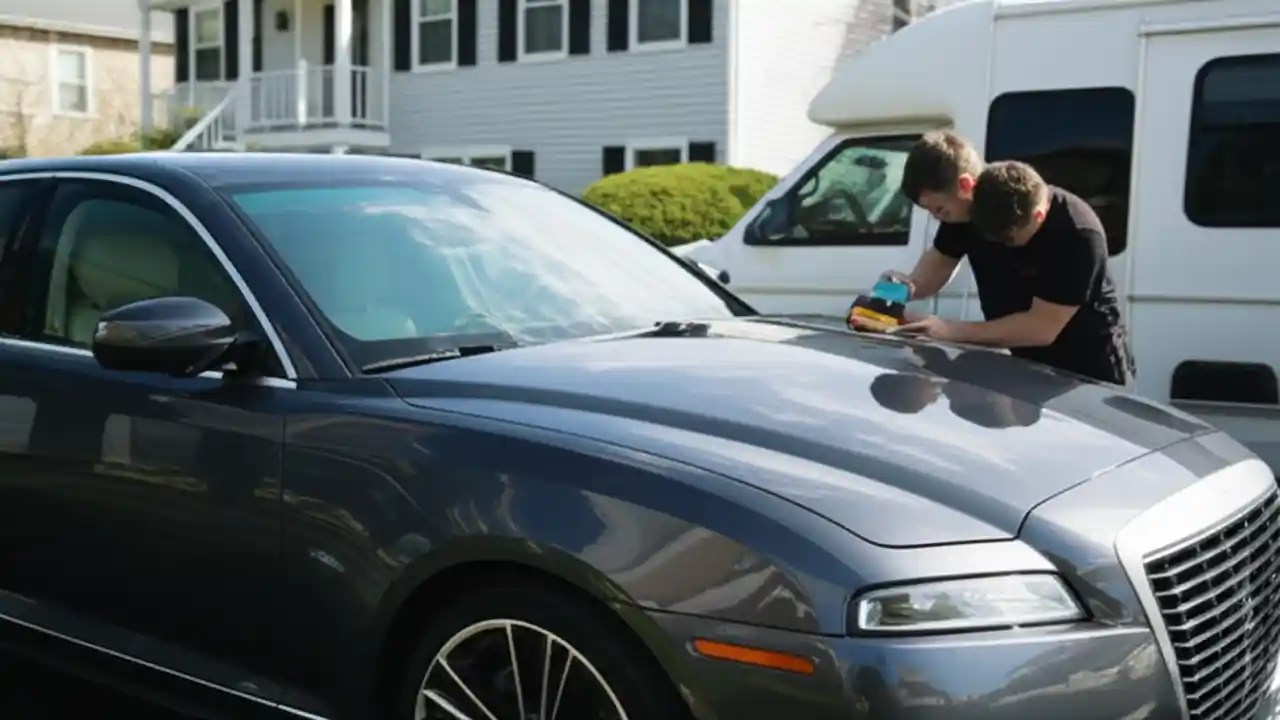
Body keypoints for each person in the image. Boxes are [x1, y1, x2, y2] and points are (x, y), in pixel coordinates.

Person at [873, 152, 1134, 386]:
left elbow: (1041, 328)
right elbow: (936, 267)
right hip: (1022, 363)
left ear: (1037, 217)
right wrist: (895, 292)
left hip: (1087, 371)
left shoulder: (1076, 234)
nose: (998, 243)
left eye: (1007, 239)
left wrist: (949, 331)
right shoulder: (970, 211)